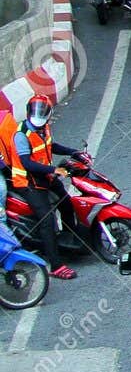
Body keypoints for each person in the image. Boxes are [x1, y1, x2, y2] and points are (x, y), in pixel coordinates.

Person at [0, 97, 87, 280]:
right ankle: (56, 265)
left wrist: (73, 152)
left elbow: (51, 146)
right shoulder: (21, 134)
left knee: (66, 204)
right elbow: (27, 163)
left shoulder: (44, 128)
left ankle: (69, 241)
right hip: (28, 182)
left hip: (45, 176)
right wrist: (54, 169)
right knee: (46, 220)